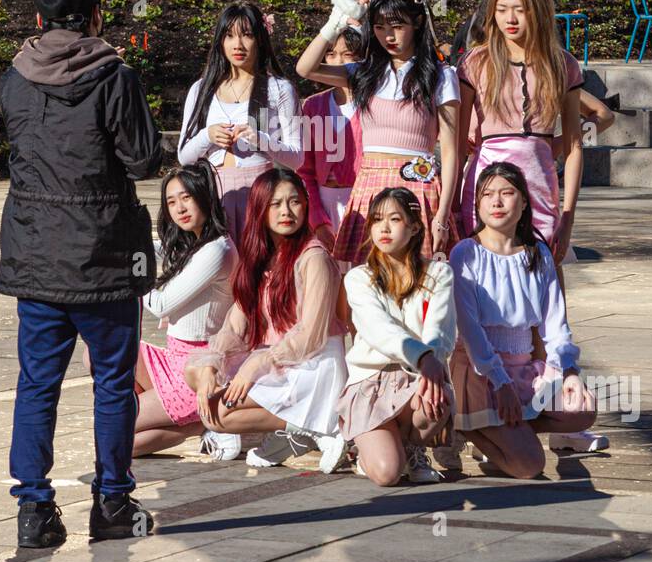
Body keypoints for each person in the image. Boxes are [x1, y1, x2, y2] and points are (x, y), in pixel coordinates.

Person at [0, 0, 161, 547]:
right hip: (104, 259)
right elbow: (143, 160)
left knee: (37, 382)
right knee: (114, 382)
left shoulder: (14, 77)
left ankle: (34, 511)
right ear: (95, 16)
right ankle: (112, 502)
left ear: (38, 18)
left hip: (36, 258)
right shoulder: (114, 76)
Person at [184, 166, 348, 473]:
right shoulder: (260, 259)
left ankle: (316, 427)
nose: (286, 211)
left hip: (312, 364)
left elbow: (311, 334)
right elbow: (236, 324)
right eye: (275, 204)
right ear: (260, 209)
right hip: (280, 360)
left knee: (219, 413)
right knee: (199, 378)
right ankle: (295, 431)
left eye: (294, 201)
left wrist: (256, 364)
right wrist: (211, 363)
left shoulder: (315, 258)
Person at [450, 162, 607, 476]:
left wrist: (570, 371)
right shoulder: (465, 254)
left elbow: (555, 325)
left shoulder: (538, 254)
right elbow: (470, 332)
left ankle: (510, 429)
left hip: (526, 369)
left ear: (523, 203)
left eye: (507, 193)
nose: (496, 202)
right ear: (476, 203)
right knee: (529, 466)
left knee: (581, 407)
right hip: (482, 372)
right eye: (487, 195)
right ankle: (467, 428)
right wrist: (500, 381)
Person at [296, 0, 460, 267]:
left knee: (419, 280)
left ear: (418, 23)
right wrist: (336, 20)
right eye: (380, 26)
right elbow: (305, 68)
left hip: (419, 187)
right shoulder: (364, 73)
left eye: (397, 25)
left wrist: (443, 216)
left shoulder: (441, 76)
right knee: (366, 282)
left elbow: (450, 151)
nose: (389, 35)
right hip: (370, 186)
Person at [84, 163, 239, 464]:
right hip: (173, 359)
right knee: (98, 349)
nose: (179, 208)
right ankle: (170, 415)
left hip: (199, 371)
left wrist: (132, 271)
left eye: (186, 198)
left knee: (113, 441)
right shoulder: (191, 243)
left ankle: (198, 423)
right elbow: (149, 249)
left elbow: (160, 304)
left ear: (204, 197)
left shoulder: (216, 251)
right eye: (171, 202)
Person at [456, 0, 583, 267]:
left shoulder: (563, 65)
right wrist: (448, 206)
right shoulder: (476, 62)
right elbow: (458, 143)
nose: (509, 19)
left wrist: (568, 218)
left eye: (520, 10)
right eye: (501, 9)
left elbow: (575, 146)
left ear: (538, 10)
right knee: (482, 276)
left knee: (543, 276)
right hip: (485, 186)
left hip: (540, 184)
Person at [337, 188, 457, 486]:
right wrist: (424, 356)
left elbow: (440, 329)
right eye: (377, 220)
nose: (384, 228)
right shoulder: (358, 277)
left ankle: (414, 448)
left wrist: (431, 362)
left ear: (415, 226)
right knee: (387, 474)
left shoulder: (439, 273)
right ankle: (365, 448)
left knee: (434, 403)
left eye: (395, 219)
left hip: (416, 376)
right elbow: (379, 329)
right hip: (370, 382)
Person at [178, 1, 303, 245]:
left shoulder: (279, 89)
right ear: (220, 41)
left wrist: (261, 139)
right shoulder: (201, 90)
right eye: (229, 36)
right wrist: (207, 135)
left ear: (260, 39)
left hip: (261, 193)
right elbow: (184, 157)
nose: (238, 45)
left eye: (247, 35)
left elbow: (297, 158)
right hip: (214, 193)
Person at [298, 25, 364, 264]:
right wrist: (317, 218)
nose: (338, 62)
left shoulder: (374, 105)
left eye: (348, 55)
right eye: (331, 54)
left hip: (363, 202)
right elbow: (304, 169)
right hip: (325, 204)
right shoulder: (313, 107)